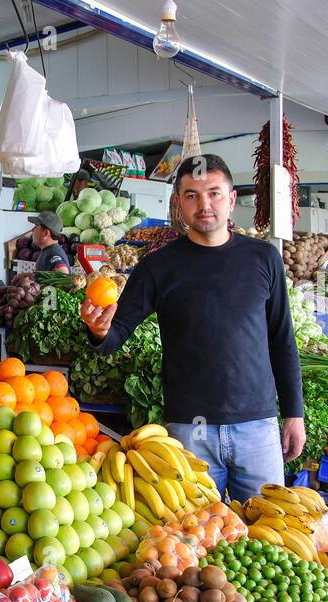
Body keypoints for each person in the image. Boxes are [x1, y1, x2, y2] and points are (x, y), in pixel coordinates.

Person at [80, 154, 304, 501]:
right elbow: (115, 333)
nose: (204, 205)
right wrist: (98, 329)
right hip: (189, 431)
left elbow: (282, 340)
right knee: (194, 541)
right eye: (192, 196)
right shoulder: (158, 267)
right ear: (178, 204)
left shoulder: (264, 259)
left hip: (257, 427)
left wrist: (294, 412)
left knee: (271, 540)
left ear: (231, 199)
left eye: (214, 193)